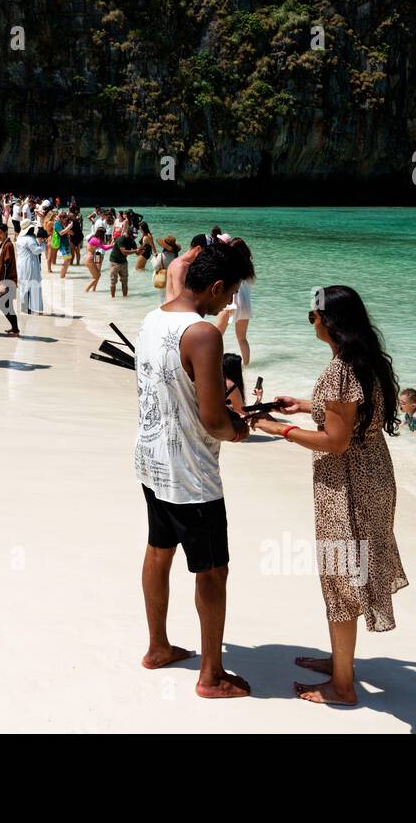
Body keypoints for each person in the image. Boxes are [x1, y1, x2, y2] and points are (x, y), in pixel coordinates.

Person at [250, 285, 408, 706]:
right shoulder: (366, 360)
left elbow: (336, 441)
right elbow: (351, 413)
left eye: (313, 316)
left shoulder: (341, 369)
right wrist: (303, 405)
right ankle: (342, 662)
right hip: (374, 472)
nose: (311, 321)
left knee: (340, 573)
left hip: (348, 480)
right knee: (351, 568)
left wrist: (277, 428)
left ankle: (342, 686)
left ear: (330, 322)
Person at [135, 243, 254, 699]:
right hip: (191, 474)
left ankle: (158, 646)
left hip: (151, 461)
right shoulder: (203, 333)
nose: (230, 305)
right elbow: (213, 420)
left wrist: (191, 255)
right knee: (212, 571)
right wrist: (240, 429)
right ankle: (211, 675)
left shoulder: (154, 317)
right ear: (218, 286)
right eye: (231, 295)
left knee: (159, 550)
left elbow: (181, 269)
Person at [0, 224, 20, 336]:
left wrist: (3, 283)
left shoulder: (8, 245)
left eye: (0, 233)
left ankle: (15, 329)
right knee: (5, 305)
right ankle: (14, 328)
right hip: (6, 280)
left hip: (7, 281)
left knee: (3, 304)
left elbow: (6, 265)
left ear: (5, 233)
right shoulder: (4, 245)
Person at [16, 221, 45, 314]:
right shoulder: (30, 239)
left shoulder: (20, 238)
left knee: (24, 285)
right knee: (33, 284)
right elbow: (37, 251)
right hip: (29, 264)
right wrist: (43, 244)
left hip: (21, 263)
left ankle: (24, 307)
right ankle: (33, 307)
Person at [107, 229, 137, 298]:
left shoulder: (132, 241)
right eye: (133, 236)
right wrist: (136, 250)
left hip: (124, 262)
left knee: (125, 282)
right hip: (114, 262)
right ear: (128, 234)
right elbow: (124, 252)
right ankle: (113, 298)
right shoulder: (121, 239)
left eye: (135, 237)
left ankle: (125, 298)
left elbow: (137, 252)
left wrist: (142, 250)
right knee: (113, 281)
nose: (134, 238)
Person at [85, 226, 110, 292]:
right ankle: (86, 291)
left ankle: (92, 290)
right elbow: (105, 248)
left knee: (96, 275)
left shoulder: (93, 238)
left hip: (89, 258)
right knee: (97, 276)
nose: (104, 235)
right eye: (104, 234)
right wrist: (114, 245)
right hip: (91, 258)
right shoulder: (96, 240)